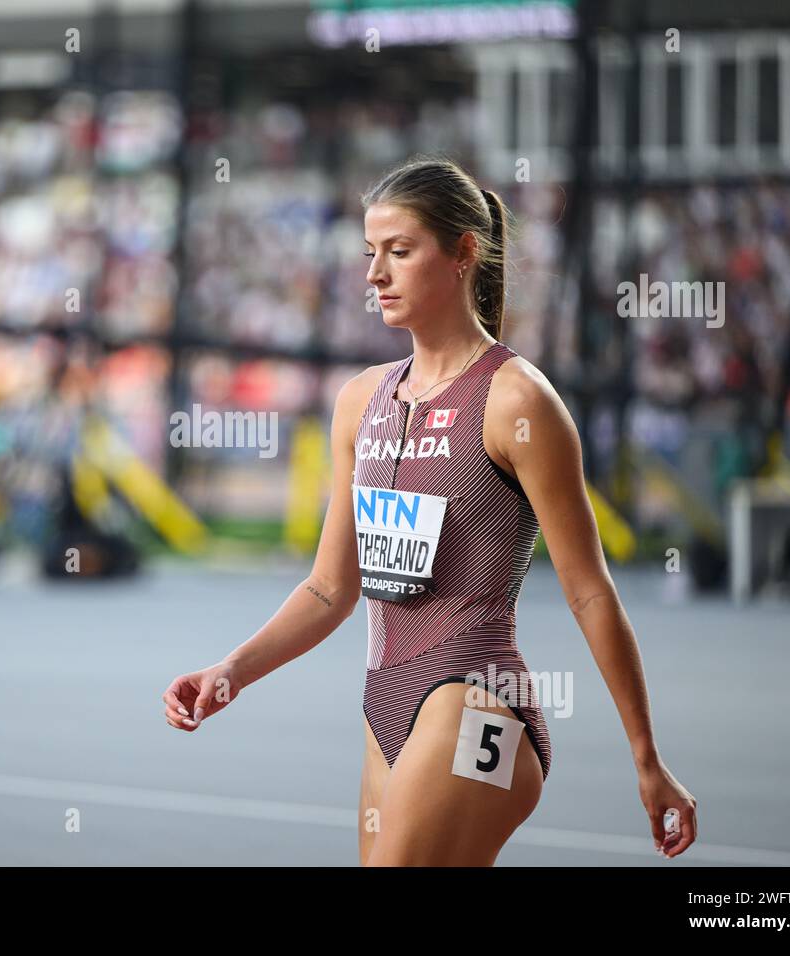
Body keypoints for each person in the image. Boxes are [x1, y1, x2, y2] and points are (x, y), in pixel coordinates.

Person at [161, 156, 697, 866]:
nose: (374, 274)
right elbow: (329, 589)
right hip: (384, 707)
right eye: (370, 253)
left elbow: (589, 589)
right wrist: (231, 670)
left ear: (462, 254)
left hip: (476, 701)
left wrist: (647, 757)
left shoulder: (516, 401)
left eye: (400, 252)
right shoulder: (361, 402)